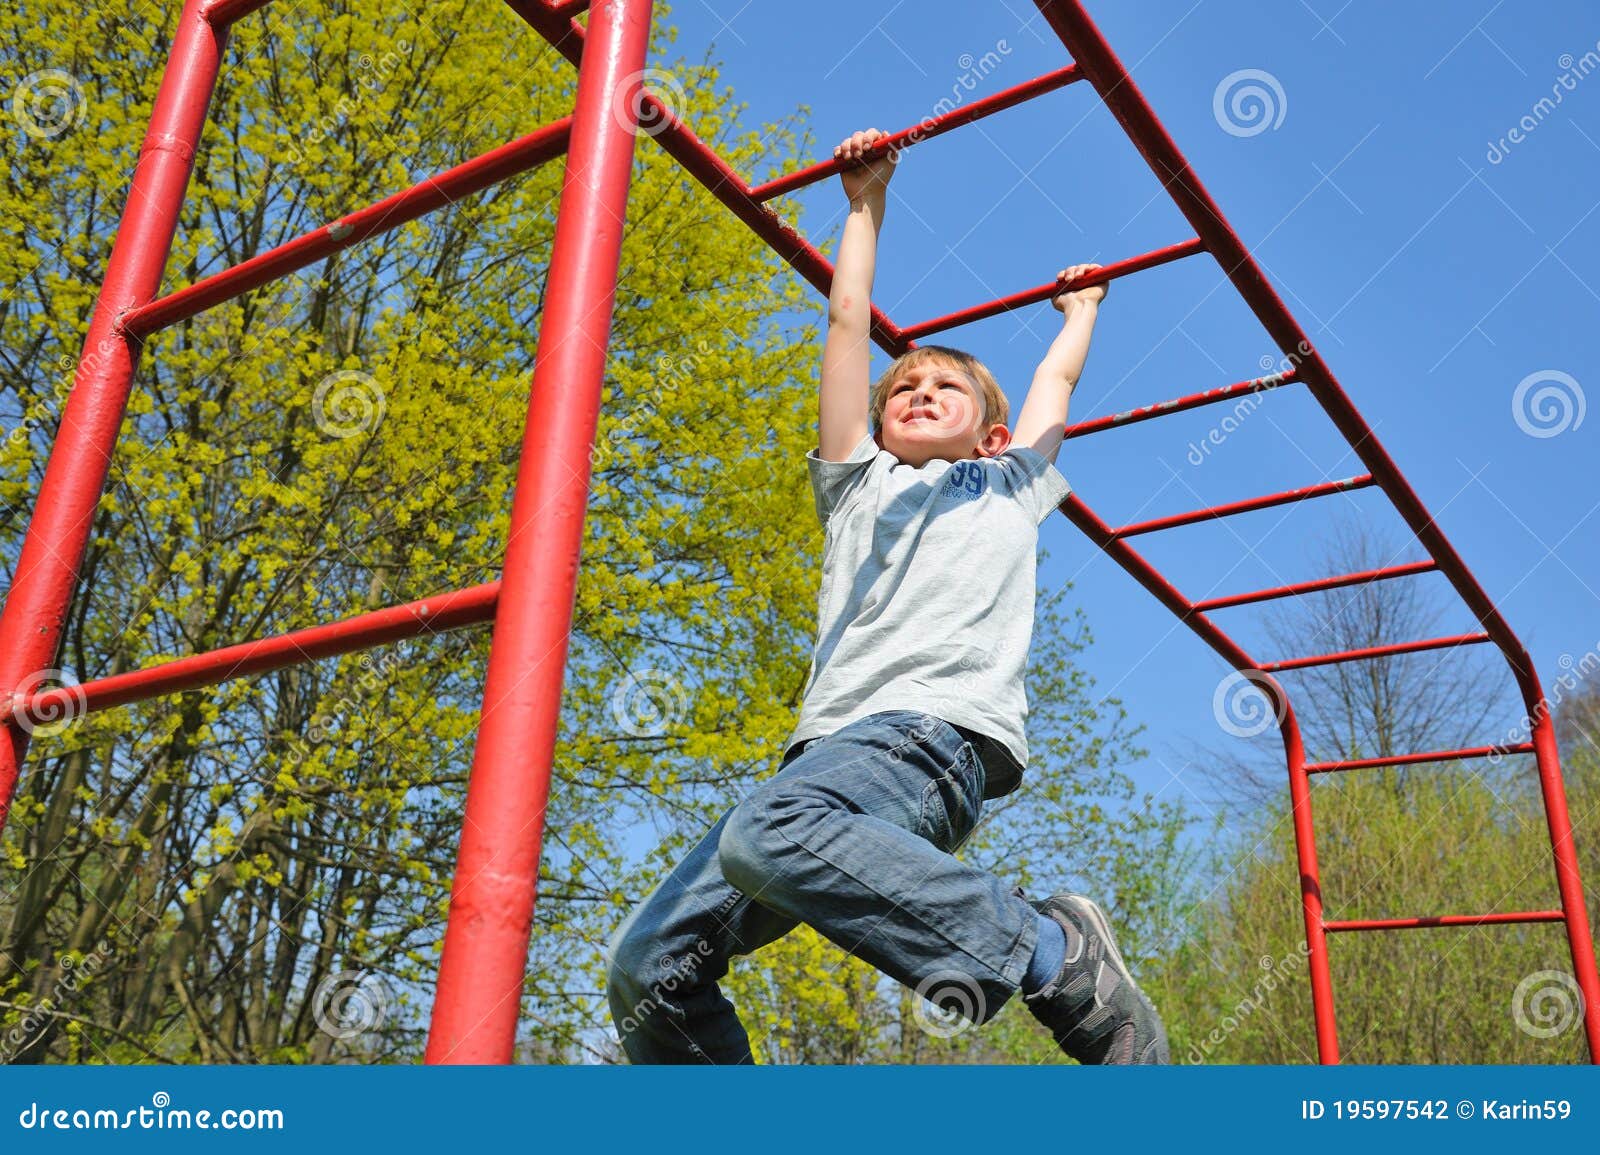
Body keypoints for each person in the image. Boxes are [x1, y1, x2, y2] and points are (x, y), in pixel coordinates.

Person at [604, 127, 1169, 1065]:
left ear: (989, 435)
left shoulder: (1008, 485)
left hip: (930, 742)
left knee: (768, 831)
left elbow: (1055, 383)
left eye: (946, 385)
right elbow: (847, 321)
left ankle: (1052, 952)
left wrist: (1081, 311)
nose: (916, 388)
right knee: (649, 967)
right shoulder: (856, 482)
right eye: (903, 384)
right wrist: (864, 203)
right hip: (827, 764)